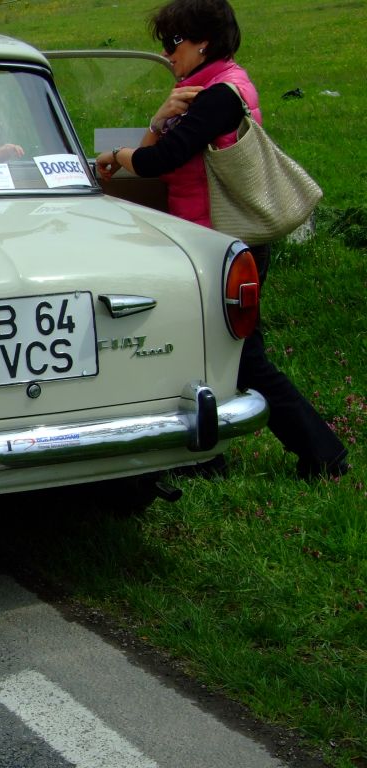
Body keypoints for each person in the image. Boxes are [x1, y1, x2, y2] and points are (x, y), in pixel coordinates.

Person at [95, 0, 348, 480]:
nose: (168, 55)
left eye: (174, 44)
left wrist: (117, 153)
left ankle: (322, 452)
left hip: (225, 244)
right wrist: (156, 120)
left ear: (202, 42)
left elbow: (159, 161)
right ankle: (207, 456)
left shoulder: (220, 96)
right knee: (210, 348)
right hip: (205, 239)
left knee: (244, 355)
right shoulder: (202, 90)